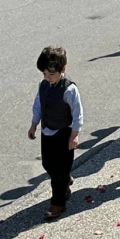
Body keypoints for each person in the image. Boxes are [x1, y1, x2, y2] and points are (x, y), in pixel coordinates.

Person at [28, 46, 83, 221]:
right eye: (44, 74)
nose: (47, 78)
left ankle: (58, 203)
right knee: (48, 164)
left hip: (64, 132)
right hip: (47, 131)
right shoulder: (43, 85)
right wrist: (34, 123)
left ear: (63, 70)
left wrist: (74, 134)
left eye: (51, 74)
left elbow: (77, 113)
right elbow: (38, 105)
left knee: (60, 170)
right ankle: (65, 181)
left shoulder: (69, 90)